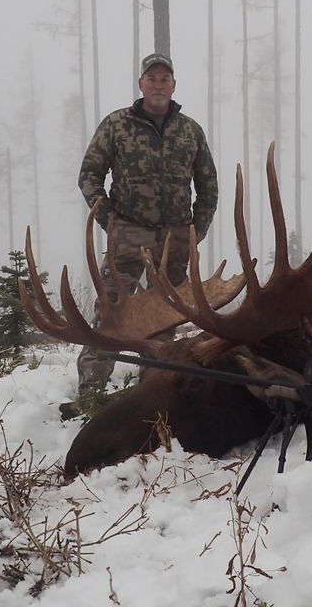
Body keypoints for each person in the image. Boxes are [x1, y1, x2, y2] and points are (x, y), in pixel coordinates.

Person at [73, 52, 219, 396]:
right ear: (141, 84)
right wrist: (110, 220)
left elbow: (208, 184)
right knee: (111, 309)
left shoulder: (190, 131)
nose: (158, 84)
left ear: (173, 85)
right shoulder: (117, 124)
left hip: (175, 241)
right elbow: (89, 175)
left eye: (164, 78)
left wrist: (196, 229)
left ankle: (155, 388)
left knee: (165, 315)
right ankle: (91, 391)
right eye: (151, 78)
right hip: (128, 234)